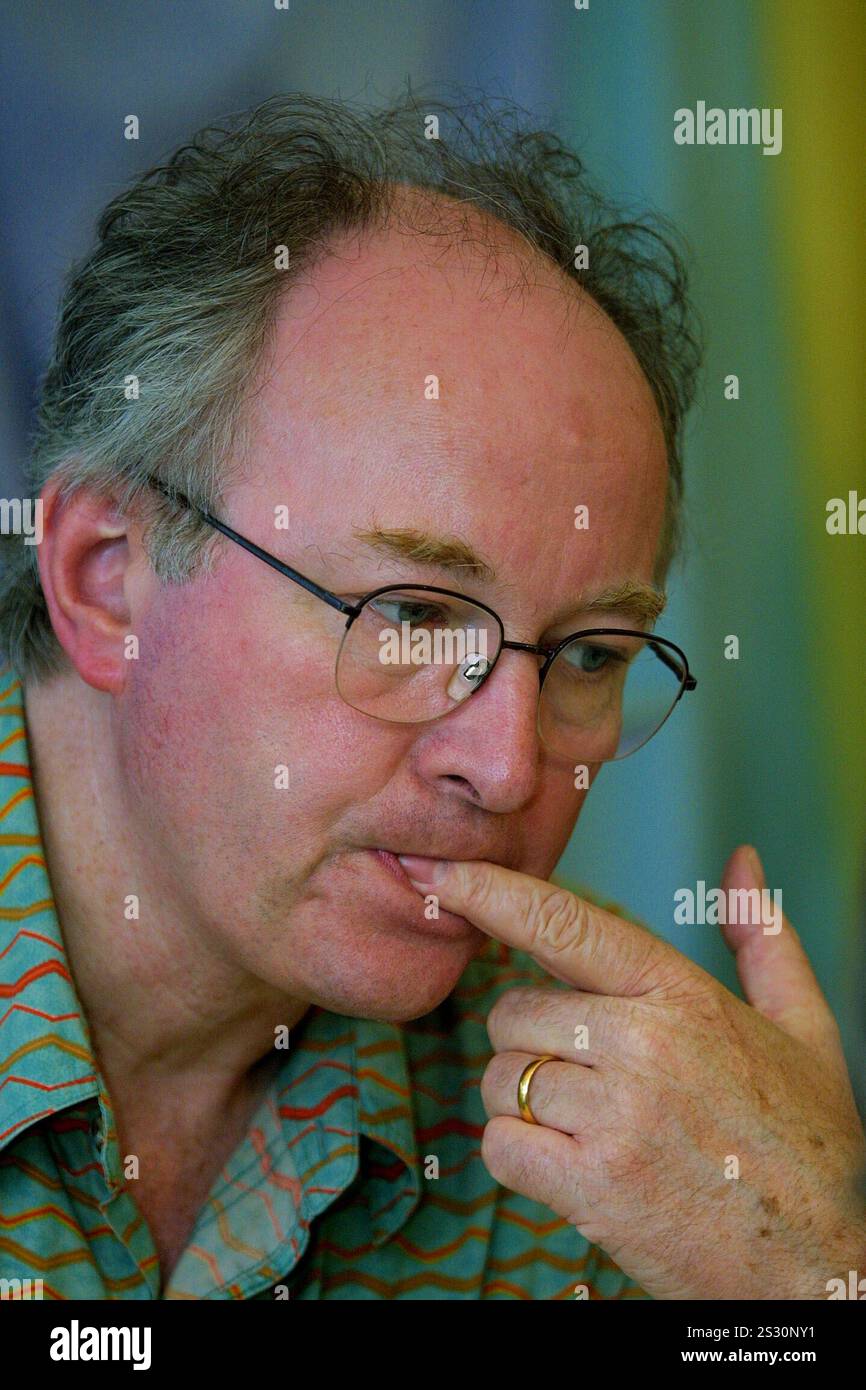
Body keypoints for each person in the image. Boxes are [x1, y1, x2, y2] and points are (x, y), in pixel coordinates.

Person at [0, 93, 863, 1301]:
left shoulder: (617, 1146)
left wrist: (803, 1277)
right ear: (107, 581)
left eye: (590, 654)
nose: (507, 768)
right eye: (407, 617)